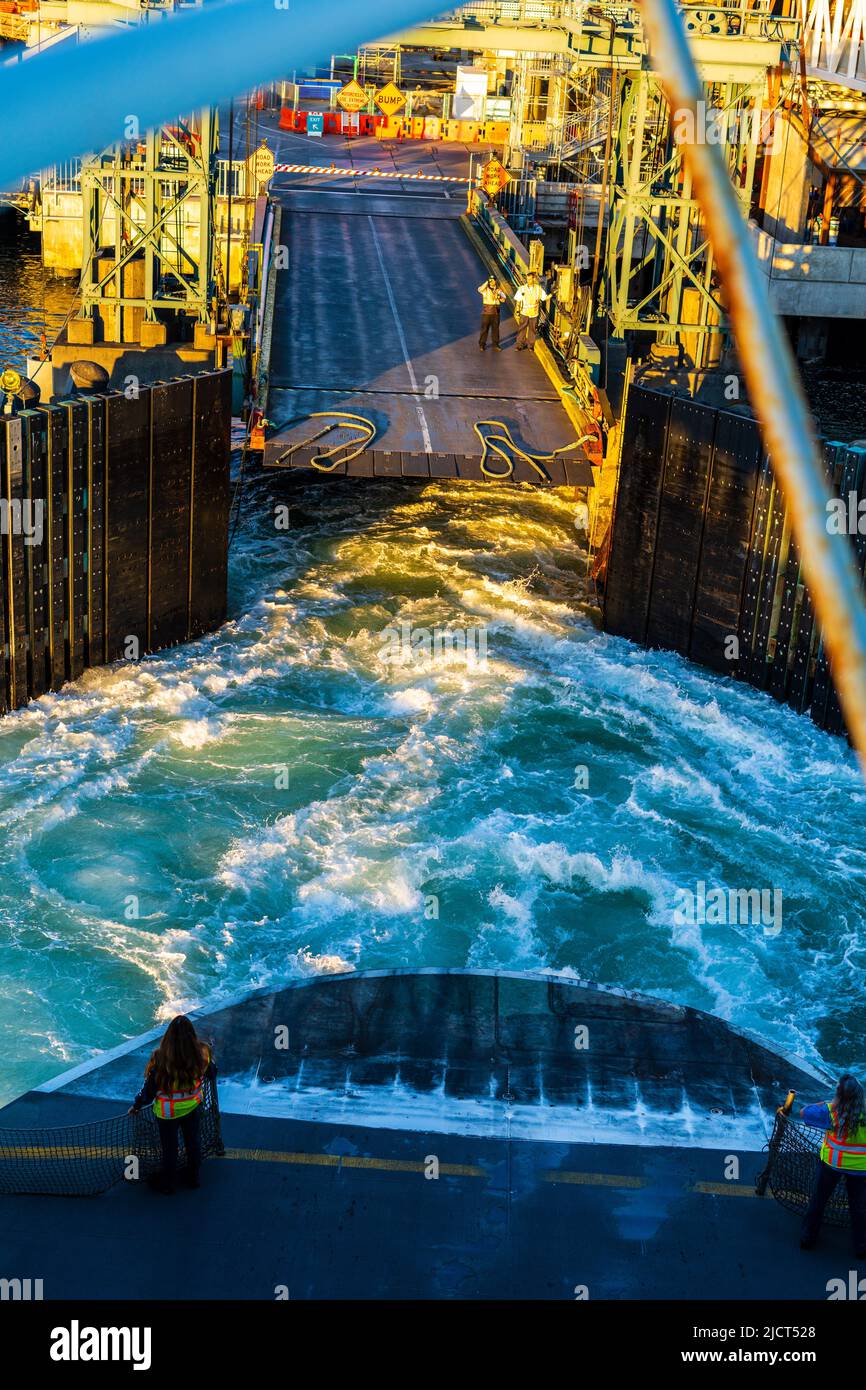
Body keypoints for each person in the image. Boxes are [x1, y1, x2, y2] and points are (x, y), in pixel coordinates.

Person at [128, 1015, 217, 1194]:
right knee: (193, 1143)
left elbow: (149, 1090)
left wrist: (137, 1106)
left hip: (167, 1113)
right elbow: (212, 1074)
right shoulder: (202, 1053)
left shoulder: (160, 1058)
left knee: (170, 1149)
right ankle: (193, 1178)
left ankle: (167, 1184)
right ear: (192, 1034)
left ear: (168, 1036)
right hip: (193, 1106)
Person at [799, 1073, 866, 1256]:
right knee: (859, 1207)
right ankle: (861, 1247)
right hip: (861, 1169)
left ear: (839, 1095)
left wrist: (824, 1103)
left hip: (832, 1164)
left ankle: (807, 1238)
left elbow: (804, 1112)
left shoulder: (831, 1111)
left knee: (819, 1201)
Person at [513, 272, 549, 351]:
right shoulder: (522, 288)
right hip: (524, 312)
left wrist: (552, 294)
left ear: (534, 279)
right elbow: (518, 300)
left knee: (532, 329)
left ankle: (530, 345)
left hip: (534, 313)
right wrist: (517, 310)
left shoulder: (538, 289)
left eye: (530, 279)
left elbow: (544, 298)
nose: (528, 280)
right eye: (527, 279)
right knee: (522, 329)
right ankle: (519, 345)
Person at [477, 277, 506, 351]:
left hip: (496, 312)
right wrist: (486, 282)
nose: (491, 282)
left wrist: (499, 296)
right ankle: (482, 344)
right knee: (484, 329)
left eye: (493, 280)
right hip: (487, 312)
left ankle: (495, 345)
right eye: (490, 280)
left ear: (495, 281)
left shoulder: (498, 290)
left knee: (495, 329)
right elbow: (479, 289)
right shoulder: (485, 290)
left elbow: (504, 299)